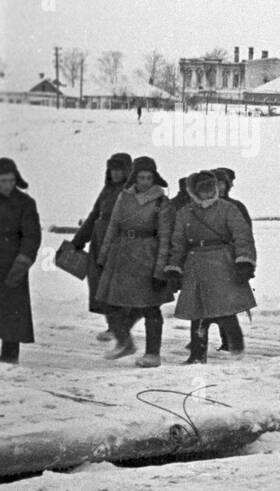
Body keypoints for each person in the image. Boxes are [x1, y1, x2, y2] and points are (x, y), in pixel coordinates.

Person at [166, 170, 257, 363]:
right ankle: (197, 356)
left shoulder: (228, 209)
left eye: (210, 188)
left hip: (222, 263)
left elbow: (242, 236)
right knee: (197, 312)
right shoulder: (185, 213)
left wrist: (244, 261)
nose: (207, 193)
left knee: (225, 309)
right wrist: (174, 267)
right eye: (202, 190)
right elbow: (178, 242)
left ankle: (236, 345)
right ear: (194, 191)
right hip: (195, 264)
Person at [96, 156, 174, 366]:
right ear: (135, 178)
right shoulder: (124, 197)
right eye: (141, 177)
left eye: (149, 178)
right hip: (122, 255)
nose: (145, 182)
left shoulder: (161, 201)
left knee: (150, 307)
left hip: (148, 256)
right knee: (109, 302)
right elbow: (113, 226)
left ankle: (152, 354)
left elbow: (165, 237)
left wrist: (160, 271)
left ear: (155, 178)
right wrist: (103, 255)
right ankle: (125, 342)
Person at [69, 152, 132, 340]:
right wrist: (78, 241)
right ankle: (112, 326)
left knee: (116, 285)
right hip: (99, 240)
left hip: (118, 242)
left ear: (127, 171)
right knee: (99, 284)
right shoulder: (107, 190)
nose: (115, 173)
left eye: (120, 169)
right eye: (112, 169)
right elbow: (94, 215)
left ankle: (120, 327)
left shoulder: (131, 192)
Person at [0, 158, 39, 365]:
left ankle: (9, 356)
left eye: (11, 180)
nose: (7, 185)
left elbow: (31, 236)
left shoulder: (25, 203)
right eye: (3, 180)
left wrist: (23, 261)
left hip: (13, 263)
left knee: (12, 312)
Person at [210, 167, 252, 352]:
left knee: (226, 302)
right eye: (215, 183)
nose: (219, 187)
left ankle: (231, 341)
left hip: (228, 259)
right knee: (210, 300)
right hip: (206, 260)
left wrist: (244, 261)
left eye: (222, 183)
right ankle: (225, 340)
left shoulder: (236, 207)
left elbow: (245, 235)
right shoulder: (201, 207)